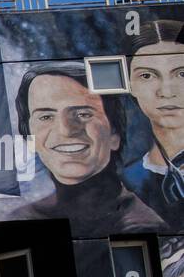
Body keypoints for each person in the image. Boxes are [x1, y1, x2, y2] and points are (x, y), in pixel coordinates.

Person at [16, 64, 165, 237]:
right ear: (30, 138)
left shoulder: (141, 229)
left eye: (83, 114)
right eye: (46, 117)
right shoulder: (24, 219)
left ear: (114, 135)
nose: (66, 130)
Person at [123, 19, 184, 229]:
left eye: (182, 74)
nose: (166, 91)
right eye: (147, 76)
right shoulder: (126, 183)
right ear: (130, 85)